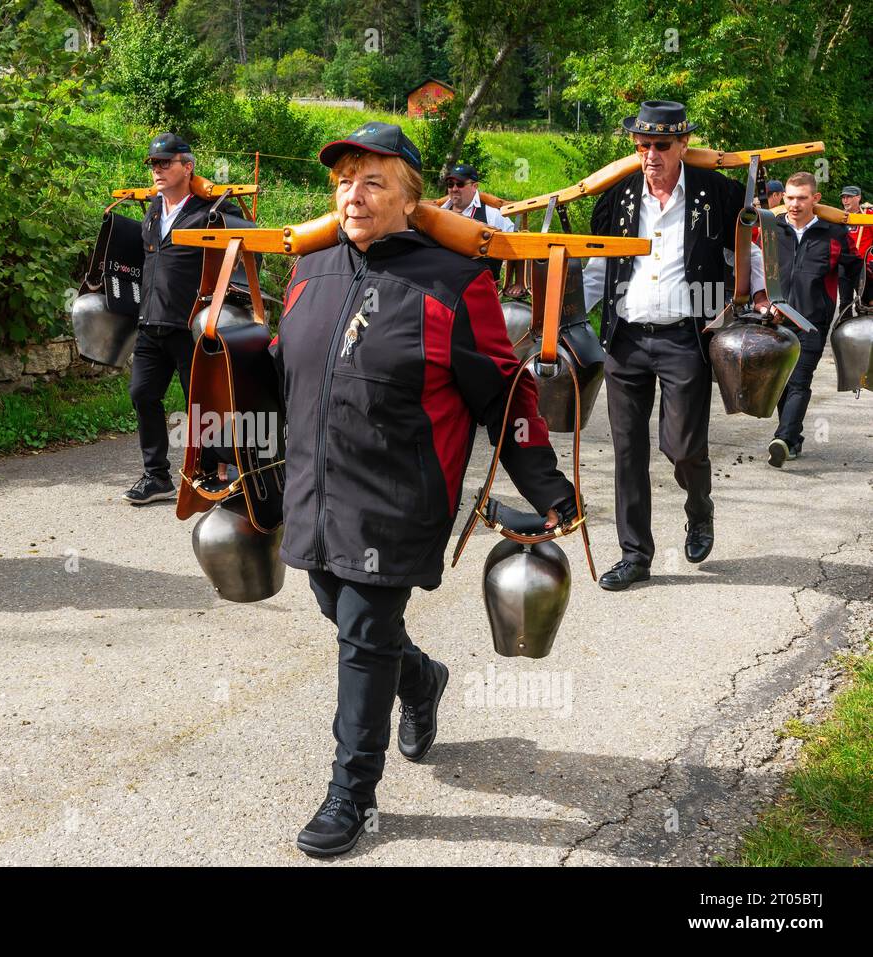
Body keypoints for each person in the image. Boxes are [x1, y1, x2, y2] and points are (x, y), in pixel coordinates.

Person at [271, 122, 577, 857]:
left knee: (364, 634)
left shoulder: (455, 282)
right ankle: (423, 675)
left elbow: (502, 394)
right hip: (313, 488)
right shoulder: (308, 273)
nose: (354, 194)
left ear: (413, 199)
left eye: (374, 181)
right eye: (344, 180)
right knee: (335, 605)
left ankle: (352, 792)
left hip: (400, 494)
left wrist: (546, 483)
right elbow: (286, 378)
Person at [583, 101, 768, 591]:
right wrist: (572, 320)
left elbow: (747, 245)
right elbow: (598, 266)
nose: (650, 155)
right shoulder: (617, 198)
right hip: (625, 338)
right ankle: (635, 554)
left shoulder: (717, 193)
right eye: (642, 146)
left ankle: (699, 507)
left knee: (683, 448)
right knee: (627, 449)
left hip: (685, 336)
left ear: (683, 145)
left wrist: (761, 294)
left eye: (661, 145)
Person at [123, 133, 245, 505]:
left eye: (165, 163)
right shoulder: (153, 210)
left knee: (203, 402)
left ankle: (213, 471)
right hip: (151, 321)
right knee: (142, 394)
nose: (157, 170)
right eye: (153, 164)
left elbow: (244, 243)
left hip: (191, 324)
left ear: (187, 167)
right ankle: (156, 476)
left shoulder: (209, 211)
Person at [766, 173, 862, 467]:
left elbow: (852, 268)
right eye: (791, 198)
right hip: (776, 319)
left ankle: (781, 438)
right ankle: (792, 440)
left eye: (802, 198)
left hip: (812, 321)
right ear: (783, 198)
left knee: (798, 379)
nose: (795, 204)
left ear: (815, 199)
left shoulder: (833, 234)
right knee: (781, 382)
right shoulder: (771, 230)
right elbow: (754, 266)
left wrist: (855, 305)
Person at [439, 163, 526, 295]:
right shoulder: (438, 214)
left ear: (475, 187)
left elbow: (519, 243)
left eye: (460, 184)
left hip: (480, 292)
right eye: (450, 184)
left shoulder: (491, 214)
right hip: (443, 289)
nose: (454, 189)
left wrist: (519, 282)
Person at [840, 186, 873, 307]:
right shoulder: (840, 216)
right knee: (845, 301)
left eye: (849, 197)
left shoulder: (868, 214)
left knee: (866, 302)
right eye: (843, 197)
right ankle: (845, 323)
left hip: (863, 265)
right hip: (843, 264)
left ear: (858, 197)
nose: (845, 200)